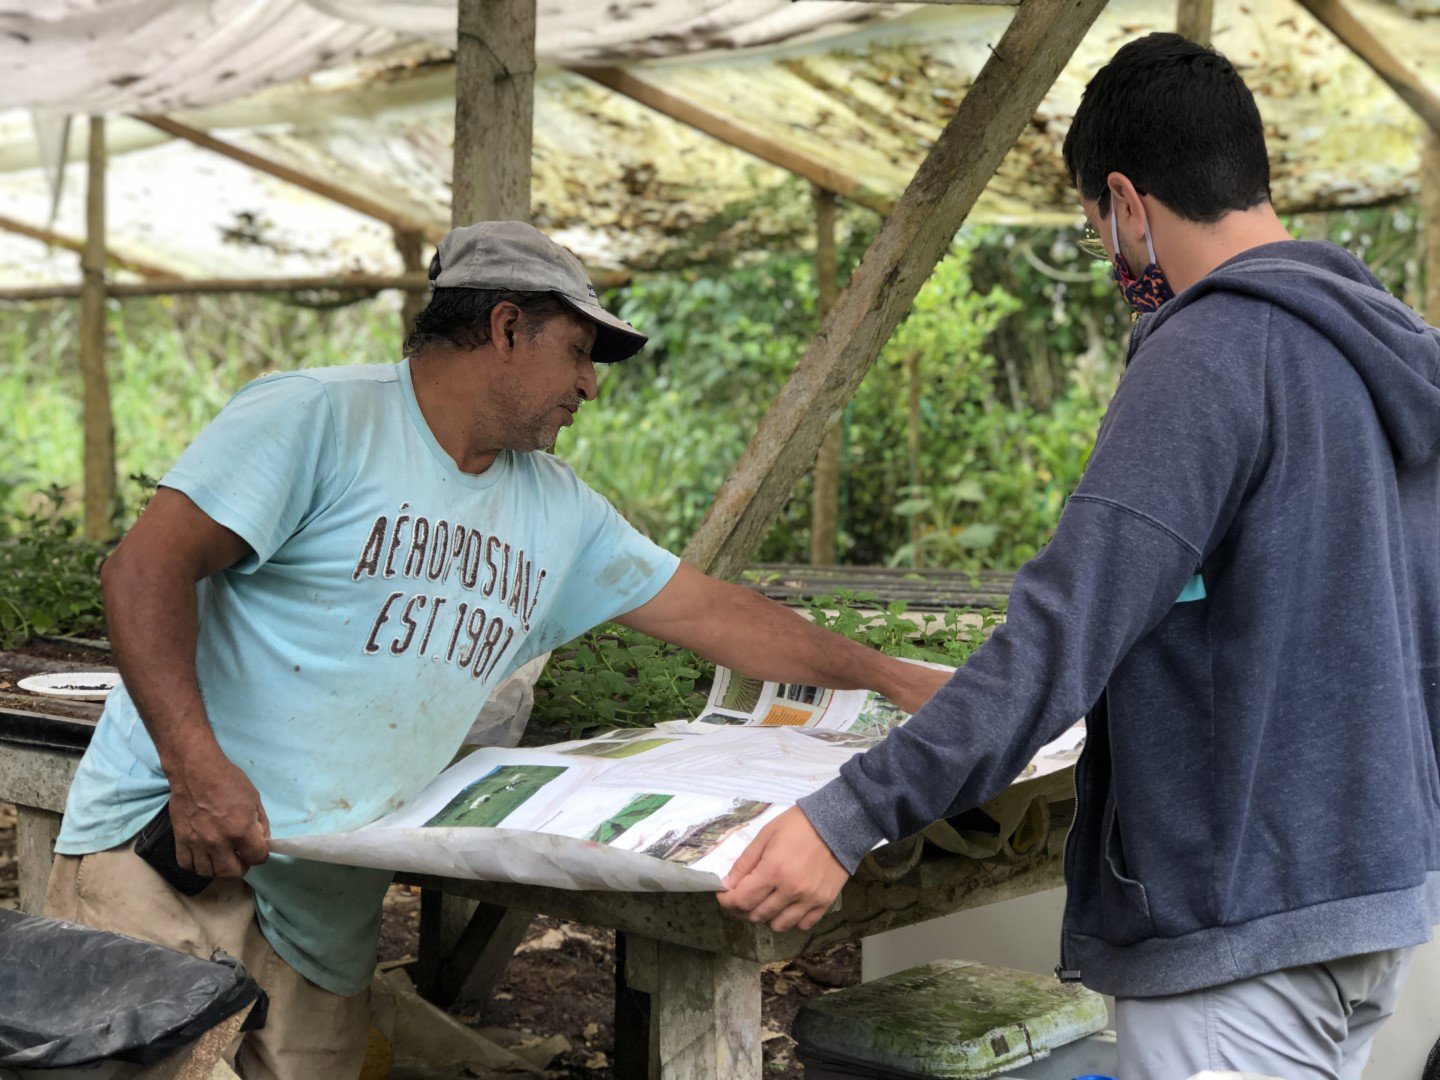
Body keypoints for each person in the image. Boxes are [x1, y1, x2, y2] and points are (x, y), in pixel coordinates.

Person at [46, 221, 949, 1080]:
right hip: (169, 857)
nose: (591, 385)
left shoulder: (555, 509)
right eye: (579, 352)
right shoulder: (318, 419)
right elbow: (141, 572)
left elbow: (721, 615)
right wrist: (196, 769)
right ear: (507, 327)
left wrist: (892, 676)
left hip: (323, 905)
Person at [719, 32, 1440, 1079]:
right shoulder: (1384, 355)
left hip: (1236, 939)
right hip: (1371, 908)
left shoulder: (1207, 355)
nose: (1111, 256)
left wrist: (847, 816)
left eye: (1099, 225)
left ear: (1126, 201)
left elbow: (1060, 633)